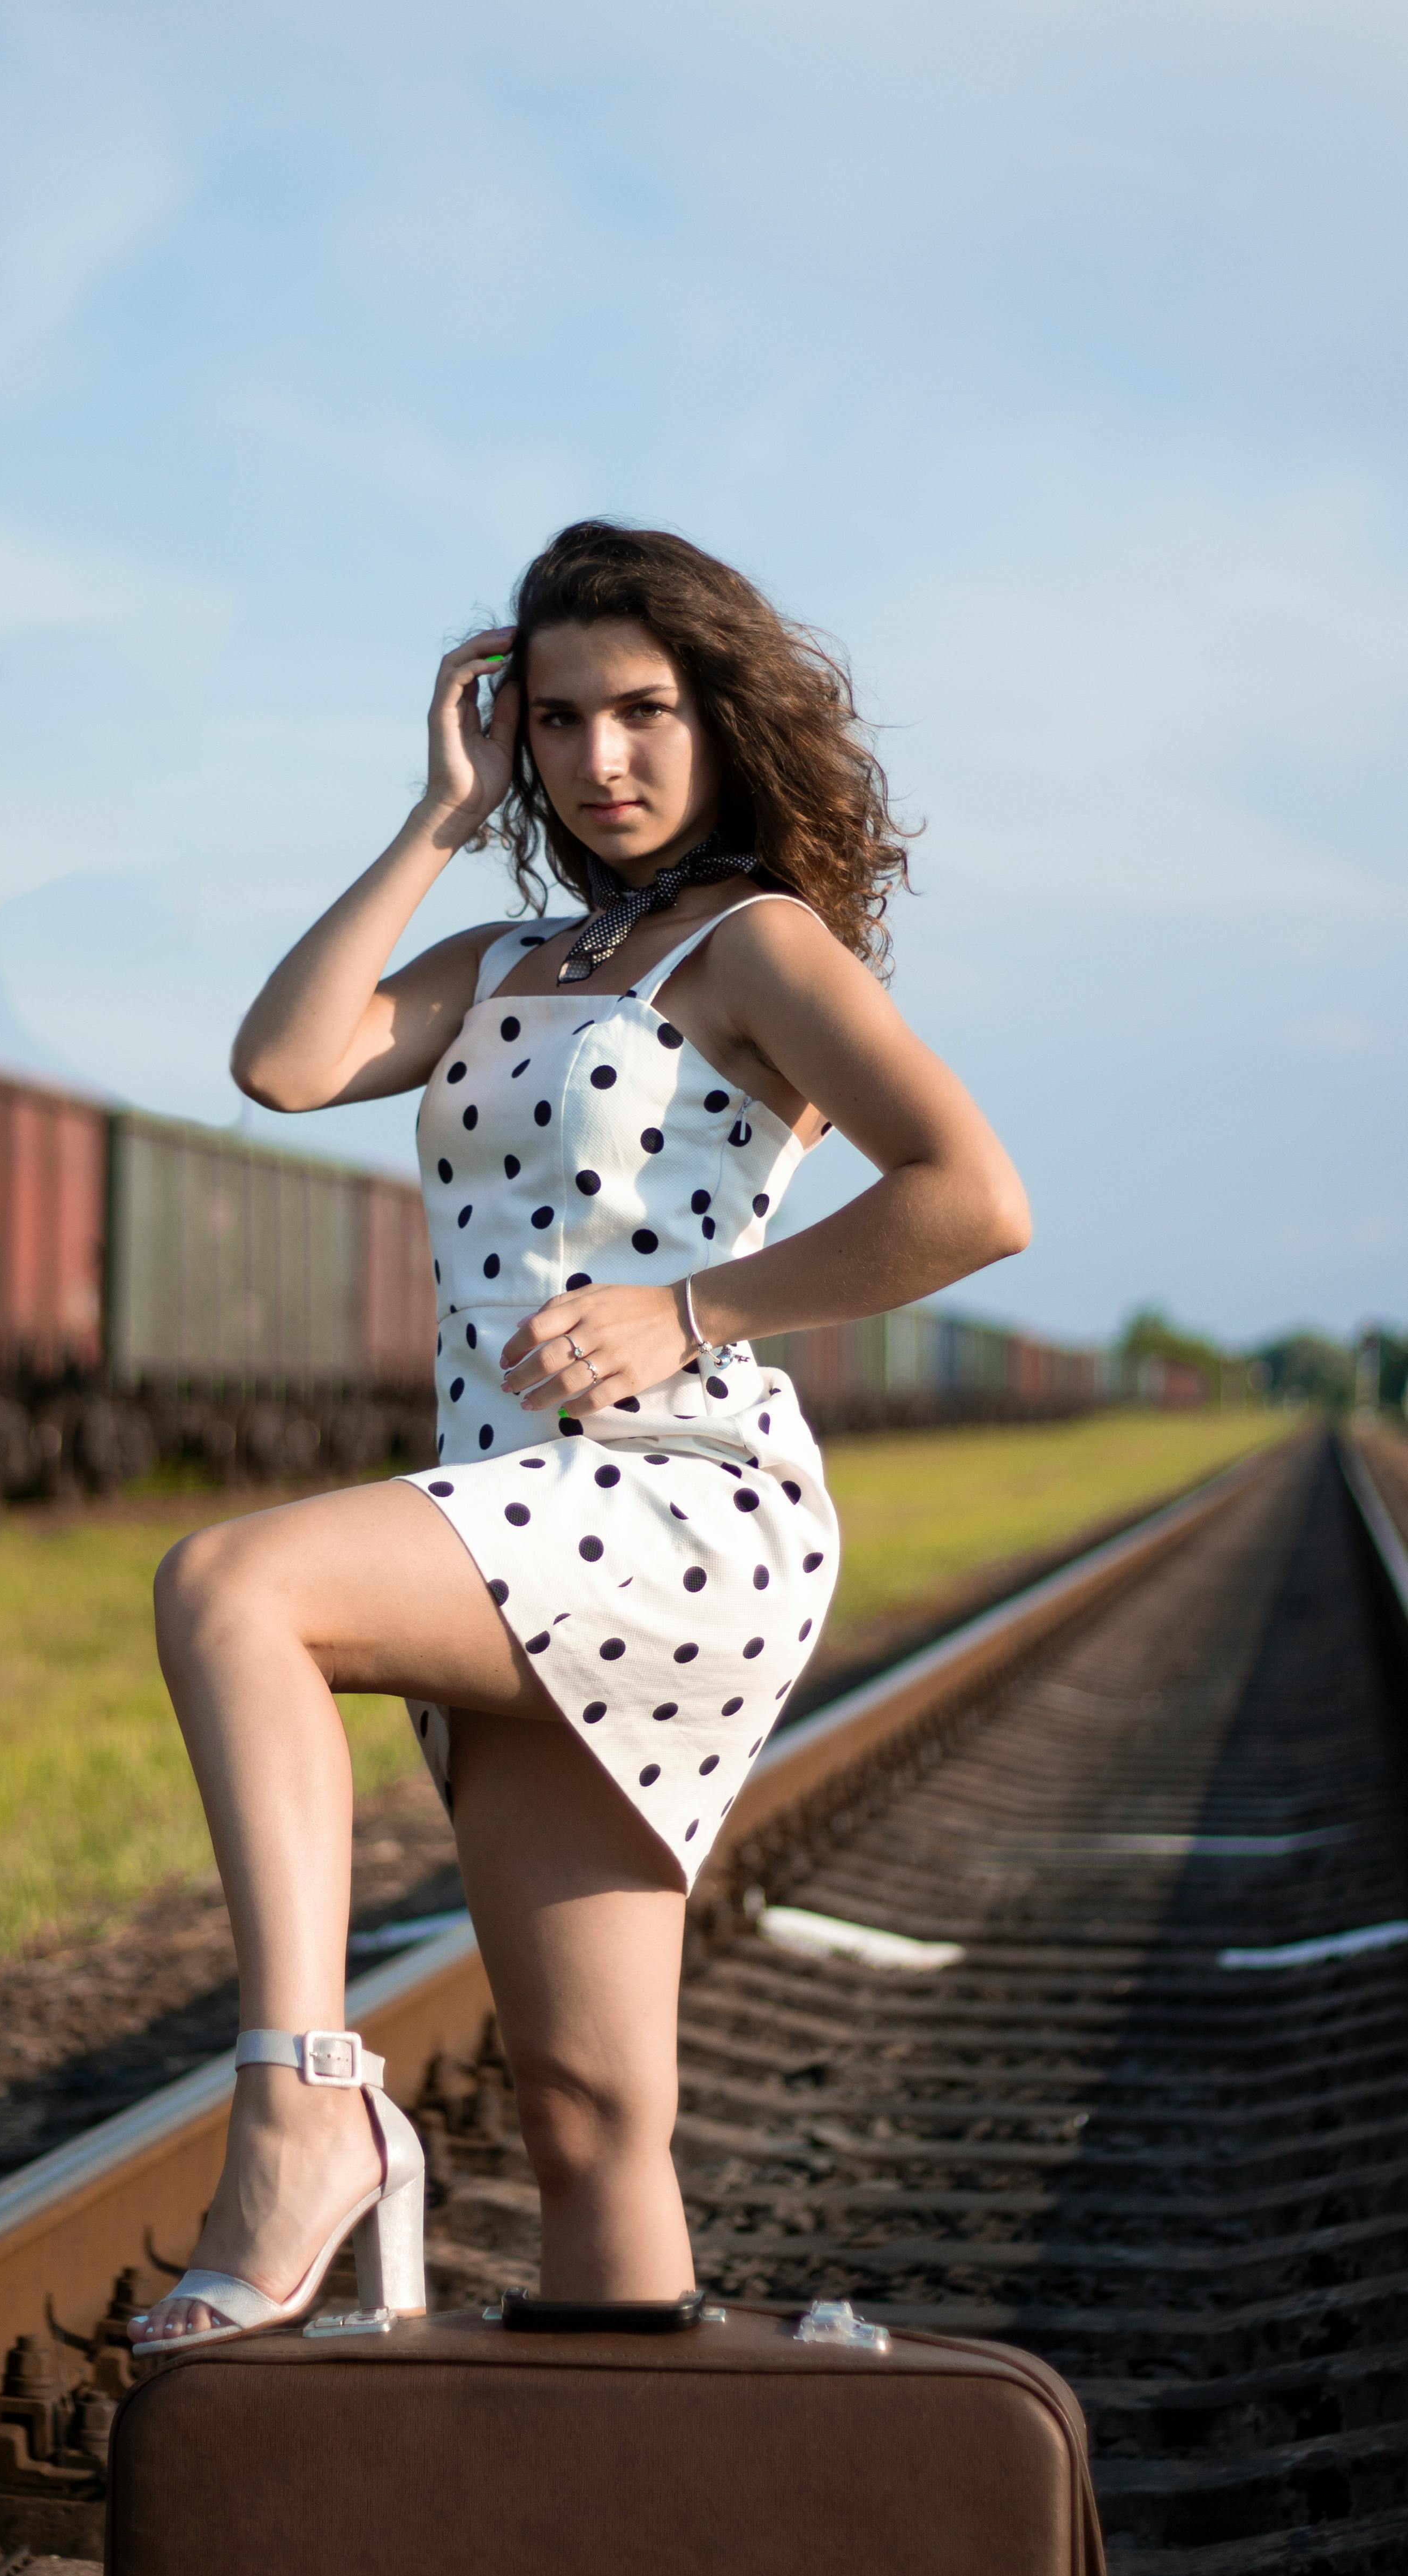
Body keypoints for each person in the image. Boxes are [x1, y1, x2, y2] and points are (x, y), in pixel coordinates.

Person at [130, 519, 1029, 2353]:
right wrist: (435, 820)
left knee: (234, 1587)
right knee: (590, 2115)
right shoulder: (500, 957)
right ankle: (637, 2522)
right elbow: (282, 1064)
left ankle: (303, 2107)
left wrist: (693, 1309)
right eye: (554, 721)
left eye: (641, 710)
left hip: (682, 1504)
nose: (599, 759)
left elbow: (974, 1197)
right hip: (513, 1506)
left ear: (718, 717)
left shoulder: (754, 944)